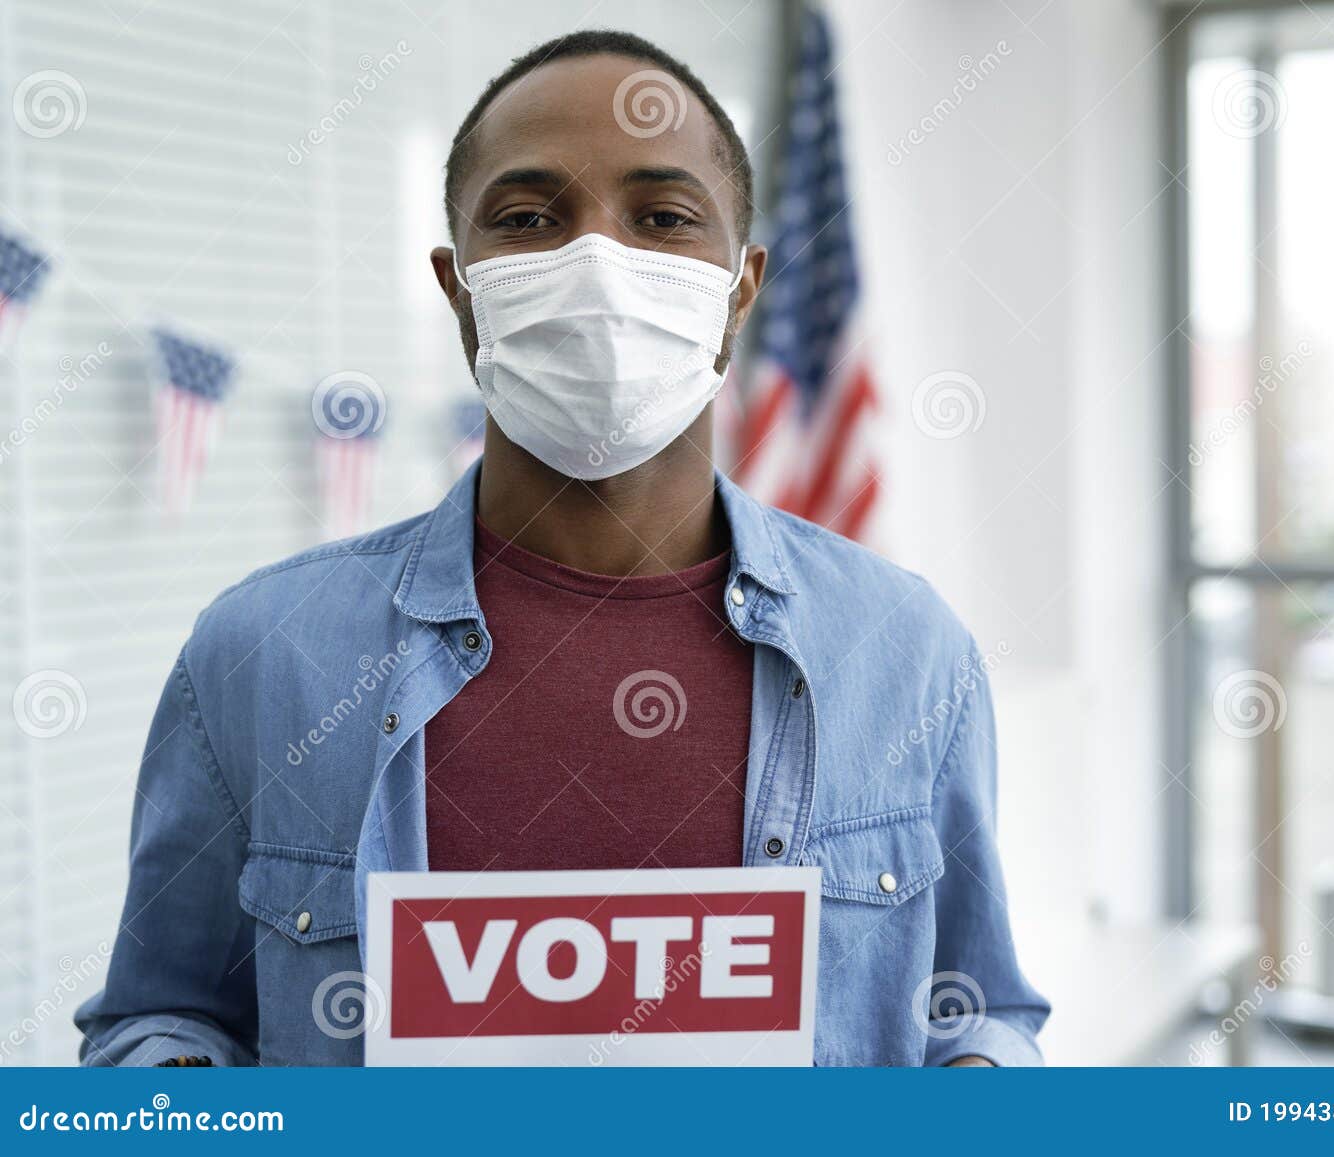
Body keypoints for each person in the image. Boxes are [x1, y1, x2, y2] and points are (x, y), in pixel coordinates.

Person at [76, 29, 1047, 1067]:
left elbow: (972, 1008)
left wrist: (980, 1077)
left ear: (742, 287)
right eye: (529, 217)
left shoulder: (904, 646)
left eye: (663, 218)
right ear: (460, 290)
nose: (596, 262)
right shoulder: (263, 652)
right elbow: (162, 1013)